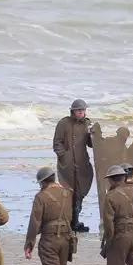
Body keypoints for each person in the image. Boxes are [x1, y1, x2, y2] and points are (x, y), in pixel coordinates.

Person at [24, 167, 77, 265]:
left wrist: (29, 243)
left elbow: (35, 222)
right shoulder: (68, 193)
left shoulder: (41, 197)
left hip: (49, 239)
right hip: (66, 239)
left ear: (42, 183)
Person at [53, 99, 93, 232]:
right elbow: (57, 143)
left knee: (80, 193)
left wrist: (95, 135)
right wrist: (64, 157)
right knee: (68, 193)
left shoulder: (88, 123)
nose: (81, 112)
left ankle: (74, 222)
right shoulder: (63, 123)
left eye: (83, 110)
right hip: (67, 167)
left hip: (82, 165)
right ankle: (69, 222)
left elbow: (91, 144)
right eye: (79, 110)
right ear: (73, 111)